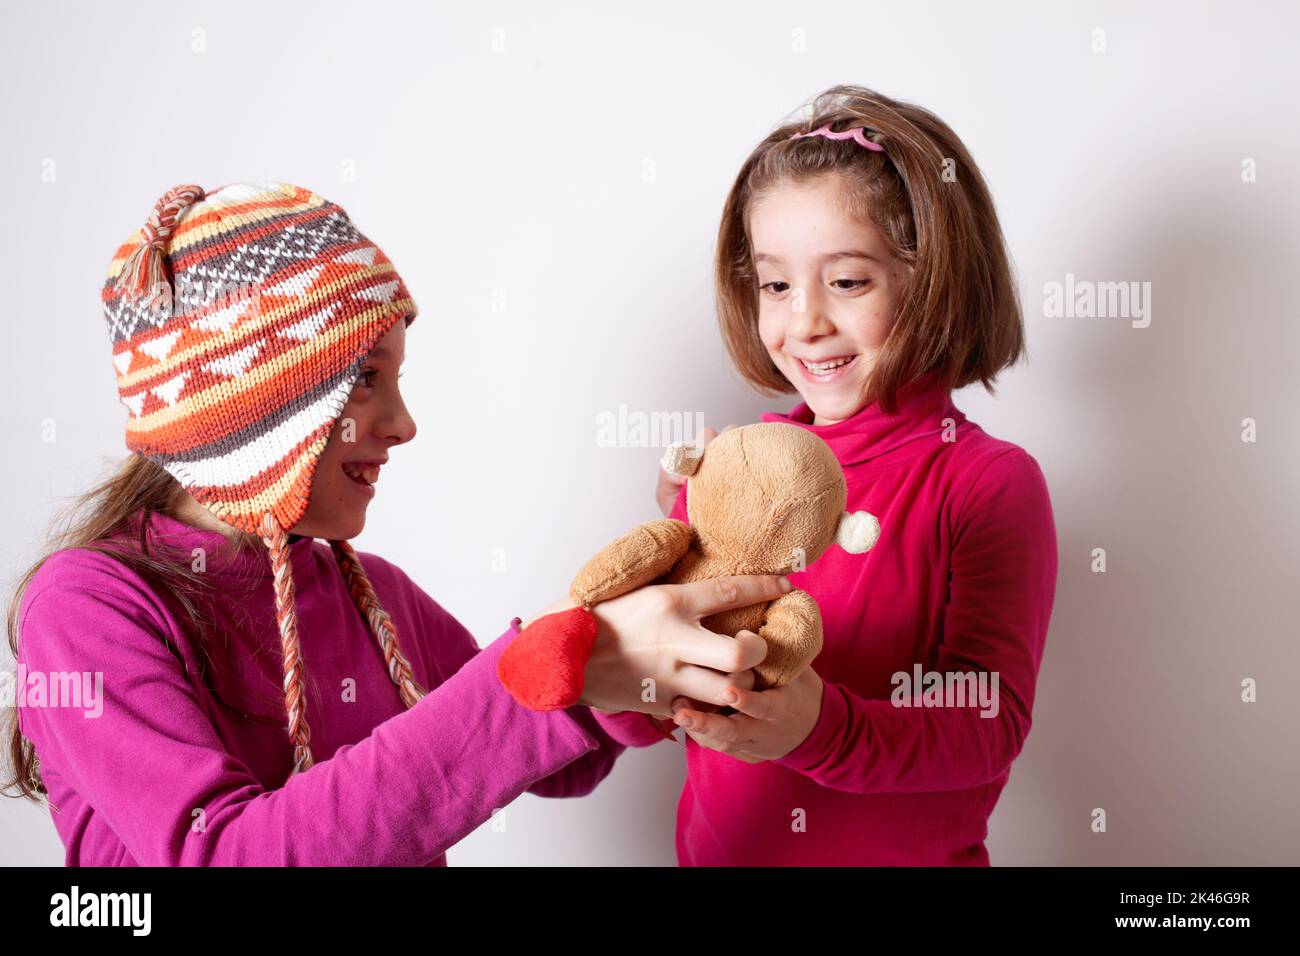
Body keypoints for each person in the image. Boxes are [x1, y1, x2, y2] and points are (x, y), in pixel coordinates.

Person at [2, 181, 787, 866]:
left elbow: (557, 760)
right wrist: (544, 670)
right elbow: (228, 853)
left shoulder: (370, 594)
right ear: (257, 405)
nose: (403, 424)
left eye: (397, 379)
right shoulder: (87, 607)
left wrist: (634, 637)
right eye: (366, 378)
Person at [594, 85, 1060, 866]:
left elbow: (988, 724)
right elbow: (653, 710)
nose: (803, 321)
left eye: (847, 282)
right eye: (776, 285)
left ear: (932, 278)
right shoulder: (736, 471)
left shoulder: (987, 483)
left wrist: (822, 731)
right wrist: (639, 643)